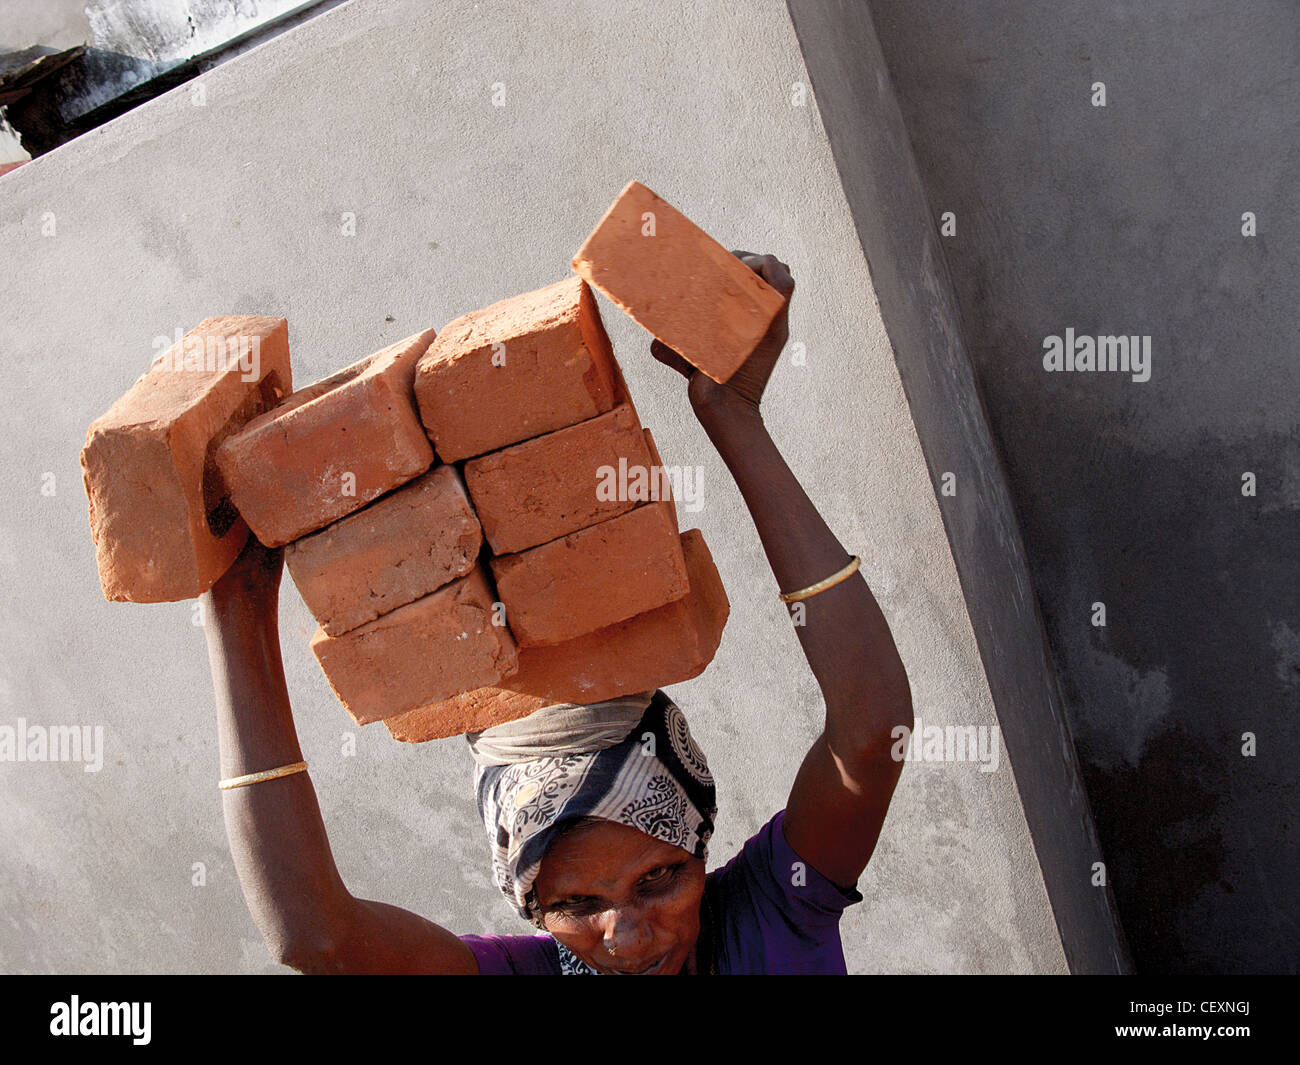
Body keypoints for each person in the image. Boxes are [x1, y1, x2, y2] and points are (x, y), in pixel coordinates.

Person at [201, 252, 913, 974]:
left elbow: (872, 727)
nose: (630, 938)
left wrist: (734, 416)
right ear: (529, 903)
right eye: (574, 904)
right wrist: (236, 612)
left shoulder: (772, 915)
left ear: (696, 837)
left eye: (659, 878)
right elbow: (314, 939)